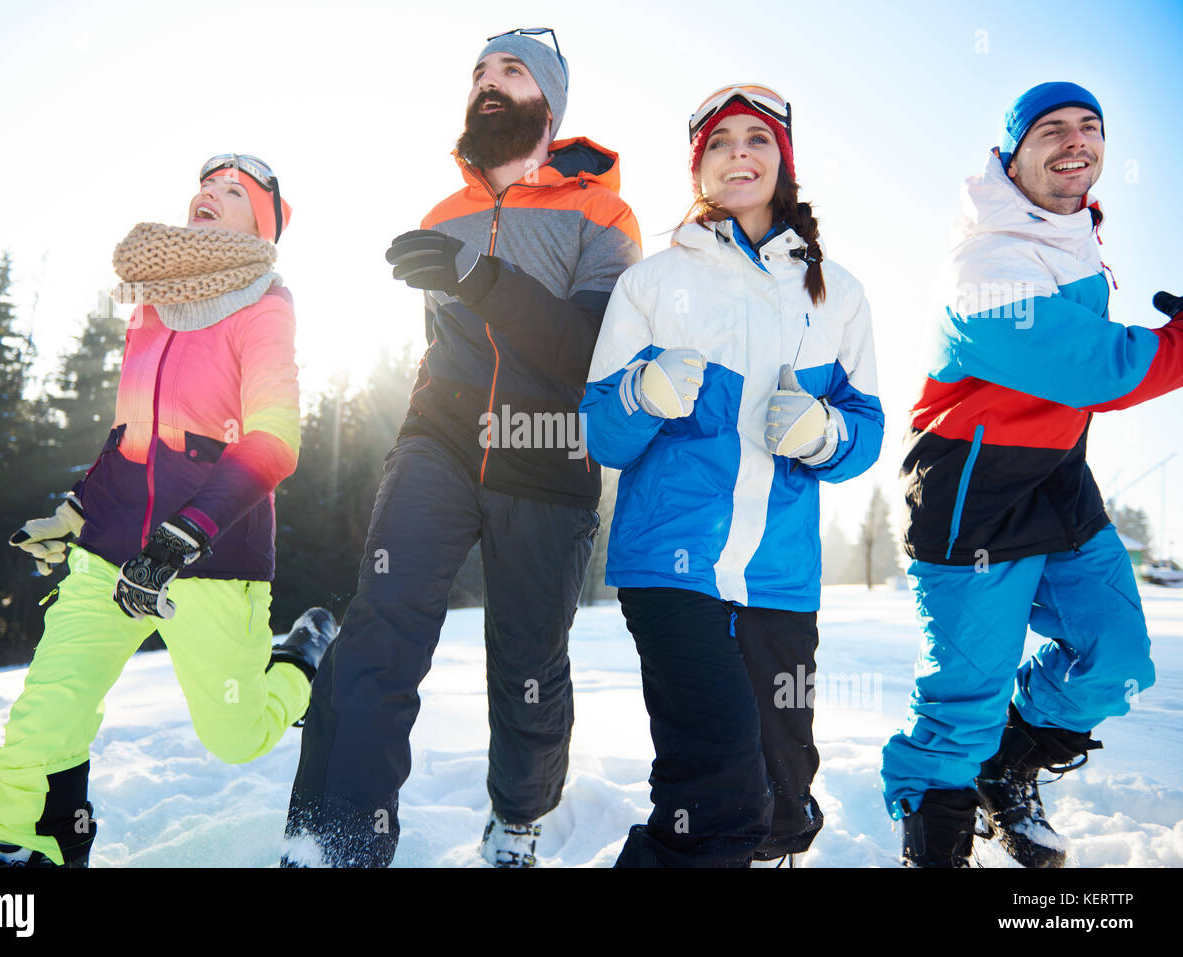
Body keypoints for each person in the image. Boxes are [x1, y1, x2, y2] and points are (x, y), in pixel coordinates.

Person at [282, 28, 641, 867]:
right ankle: (335, 839)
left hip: (548, 455)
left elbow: (589, 349)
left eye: (511, 71)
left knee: (528, 666)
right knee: (380, 628)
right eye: (479, 71)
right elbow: (436, 342)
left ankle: (518, 817)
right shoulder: (443, 216)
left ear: (548, 106)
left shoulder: (602, 212)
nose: (488, 83)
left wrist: (483, 280)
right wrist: (416, 429)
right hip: (438, 444)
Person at [0, 155, 334, 867]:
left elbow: (273, 441)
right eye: (206, 183)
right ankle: (34, 850)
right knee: (50, 705)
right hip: (110, 554)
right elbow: (131, 434)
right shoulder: (152, 303)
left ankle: (299, 660)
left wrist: (183, 536)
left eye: (234, 191)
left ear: (260, 227)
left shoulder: (266, 303)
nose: (209, 193)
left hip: (210, 559)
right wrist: (77, 513)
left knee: (236, 737)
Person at [580, 83, 884, 867]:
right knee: (717, 785)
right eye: (719, 142)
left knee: (783, 797)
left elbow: (867, 432)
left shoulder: (838, 294)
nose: (739, 153)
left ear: (783, 160)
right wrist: (642, 394)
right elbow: (602, 432)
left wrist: (826, 433)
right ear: (698, 169)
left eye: (756, 138)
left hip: (780, 578)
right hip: (670, 564)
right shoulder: (651, 283)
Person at [882, 82, 1183, 868]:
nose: (1075, 139)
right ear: (1010, 157)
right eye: (1051, 129)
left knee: (1116, 657)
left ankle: (1007, 759)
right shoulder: (986, 257)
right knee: (962, 701)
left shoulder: (1071, 237)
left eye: (1090, 126)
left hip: (1056, 479)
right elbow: (1092, 367)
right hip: (971, 492)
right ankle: (937, 844)